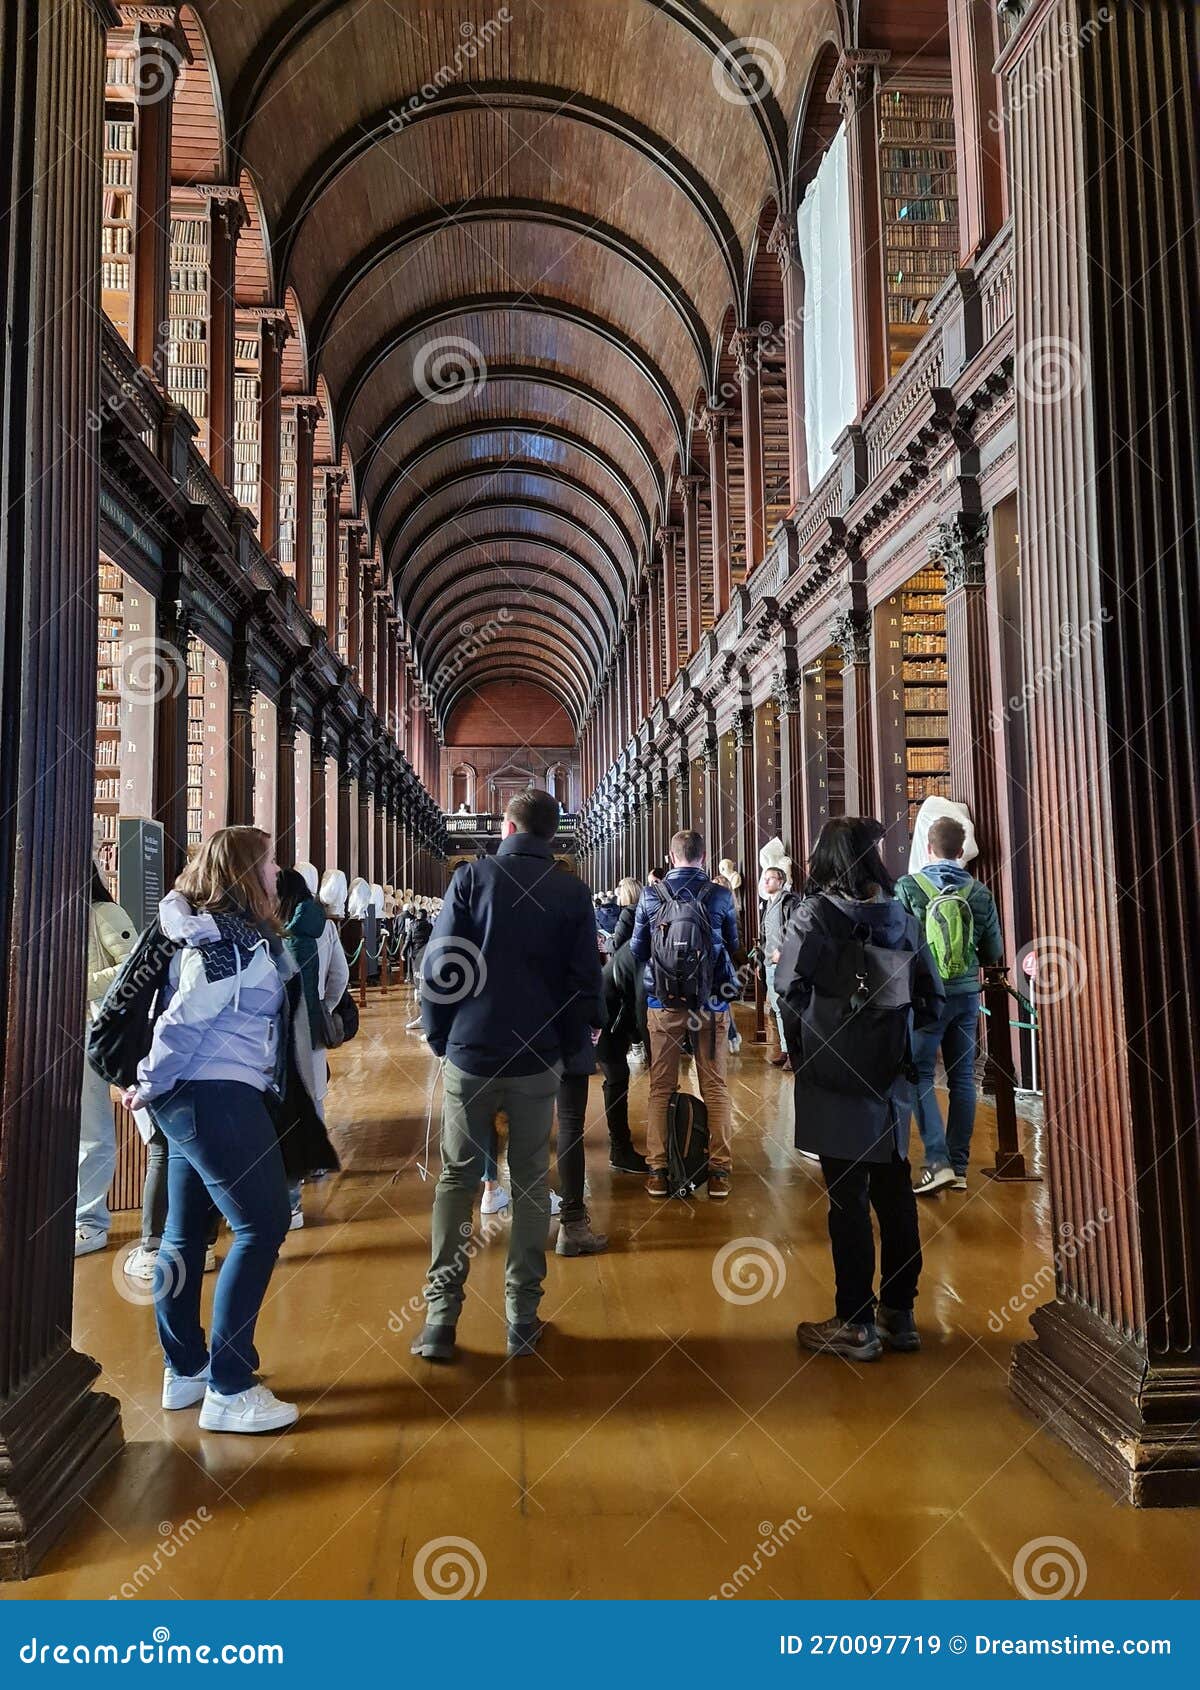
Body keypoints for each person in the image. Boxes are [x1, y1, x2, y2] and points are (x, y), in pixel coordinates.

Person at [411, 789, 602, 1363]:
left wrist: (440, 1034)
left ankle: (440, 1322)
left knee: (457, 1181)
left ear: (506, 823)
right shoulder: (571, 890)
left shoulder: (472, 878)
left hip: (472, 1050)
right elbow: (583, 981)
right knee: (530, 1183)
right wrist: (570, 1050)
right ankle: (522, 1318)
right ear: (552, 832)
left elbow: (442, 960)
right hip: (536, 1057)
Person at [122, 826, 298, 1434]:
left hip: (191, 1097)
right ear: (249, 873)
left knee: (185, 1233)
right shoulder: (229, 939)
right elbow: (184, 1019)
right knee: (262, 1222)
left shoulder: (202, 927)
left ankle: (187, 1369)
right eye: (271, 863)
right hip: (216, 1095)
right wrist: (148, 1080)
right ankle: (229, 1386)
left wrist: (156, 1086)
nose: (278, 873)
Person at [776, 817, 943, 1361]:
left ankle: (854, 1322)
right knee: (894, 1193)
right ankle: (900, 1313)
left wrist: (815, 1039)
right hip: (888, 1078)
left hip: (833, 1077)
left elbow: (787, 991)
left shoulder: (812, 916)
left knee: (847, 1201)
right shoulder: (902, 916)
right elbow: (929, 997)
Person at [629, 829, 740, 1200]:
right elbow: (734, 948)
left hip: (663, 1003)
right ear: (705, 857)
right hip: (709, 1005)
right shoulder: (721, 894)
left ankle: (658, 1171)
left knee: (661, 1087)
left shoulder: (650, 895)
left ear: (671, 856)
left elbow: (639, 949)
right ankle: (720, 1172)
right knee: (715, 1086)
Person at [895, 814, 1003, 1195]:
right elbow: (993, 950)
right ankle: (958, 1167)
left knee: (920, 1074)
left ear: (927, 846)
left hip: (925, 997)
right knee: (962, 1080)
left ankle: (936, 1160)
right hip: (966, 996)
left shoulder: (909, 887)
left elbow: (899, 945)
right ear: (961, 852)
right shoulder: (980, 892)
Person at [277, 867, 350, 1229]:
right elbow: (340, 975)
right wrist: (323, 1005)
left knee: (284, 1096)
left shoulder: (269, 927)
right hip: (312, 1021)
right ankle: (316, 1160)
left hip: (274, 1026)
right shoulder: (325, 927)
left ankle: (288, 1183)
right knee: (314, 1092)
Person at [75, 866, 136, 1256]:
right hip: (42, 1027)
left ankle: (89, 1222)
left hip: (88, 1030)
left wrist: (77, 982)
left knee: (92, 1130)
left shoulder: (103, 912)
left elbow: (133, 966)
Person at [759, 864, 799, 1071]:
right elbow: (765, 936)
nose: (766, 882)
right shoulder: (767, 904)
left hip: (784, 963)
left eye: (771, 878)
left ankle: (794, 1052)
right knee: (776, 1008)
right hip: (769, 963)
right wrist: (760, 961)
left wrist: (784, 952)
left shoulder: (790, 902)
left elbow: (796, 930)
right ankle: (785, 1048)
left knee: (787, 1009)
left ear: (781, 881)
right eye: (765, 878)